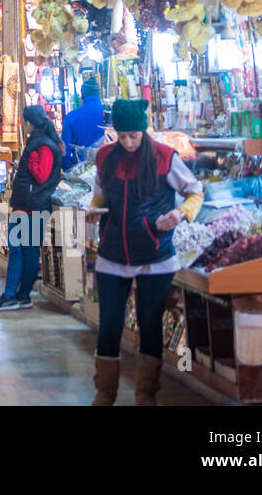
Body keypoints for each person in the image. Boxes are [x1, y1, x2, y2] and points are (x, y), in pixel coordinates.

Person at [88, 99, 203, 405]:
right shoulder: (105, 157)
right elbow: (100, 196)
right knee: (109, 324)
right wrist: (93, 211)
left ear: (144, 131)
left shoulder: (164, 158)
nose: (127, 142)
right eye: (122, 135)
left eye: (133, 136)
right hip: (112, 255)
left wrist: (179, 215)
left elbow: (195, 192)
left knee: (150, 325)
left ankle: (145, 395)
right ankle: (105, 392)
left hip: (155, 257)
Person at [0, 104, 63, 312]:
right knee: (28, 252)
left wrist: (28, 160)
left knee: (19, 250)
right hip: (33, 203)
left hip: (30, 205)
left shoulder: (41, 145)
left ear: (28, 123)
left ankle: (11, 295)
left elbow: (40, 174)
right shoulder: (43, 141)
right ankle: (22, 296)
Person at [62, 77, 107, 168]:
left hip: (80, 173)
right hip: (106, 170)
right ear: (99, 94)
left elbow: (64, 150)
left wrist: (69, 169)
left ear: (82, 96)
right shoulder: (109, 114)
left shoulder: (71, 116)